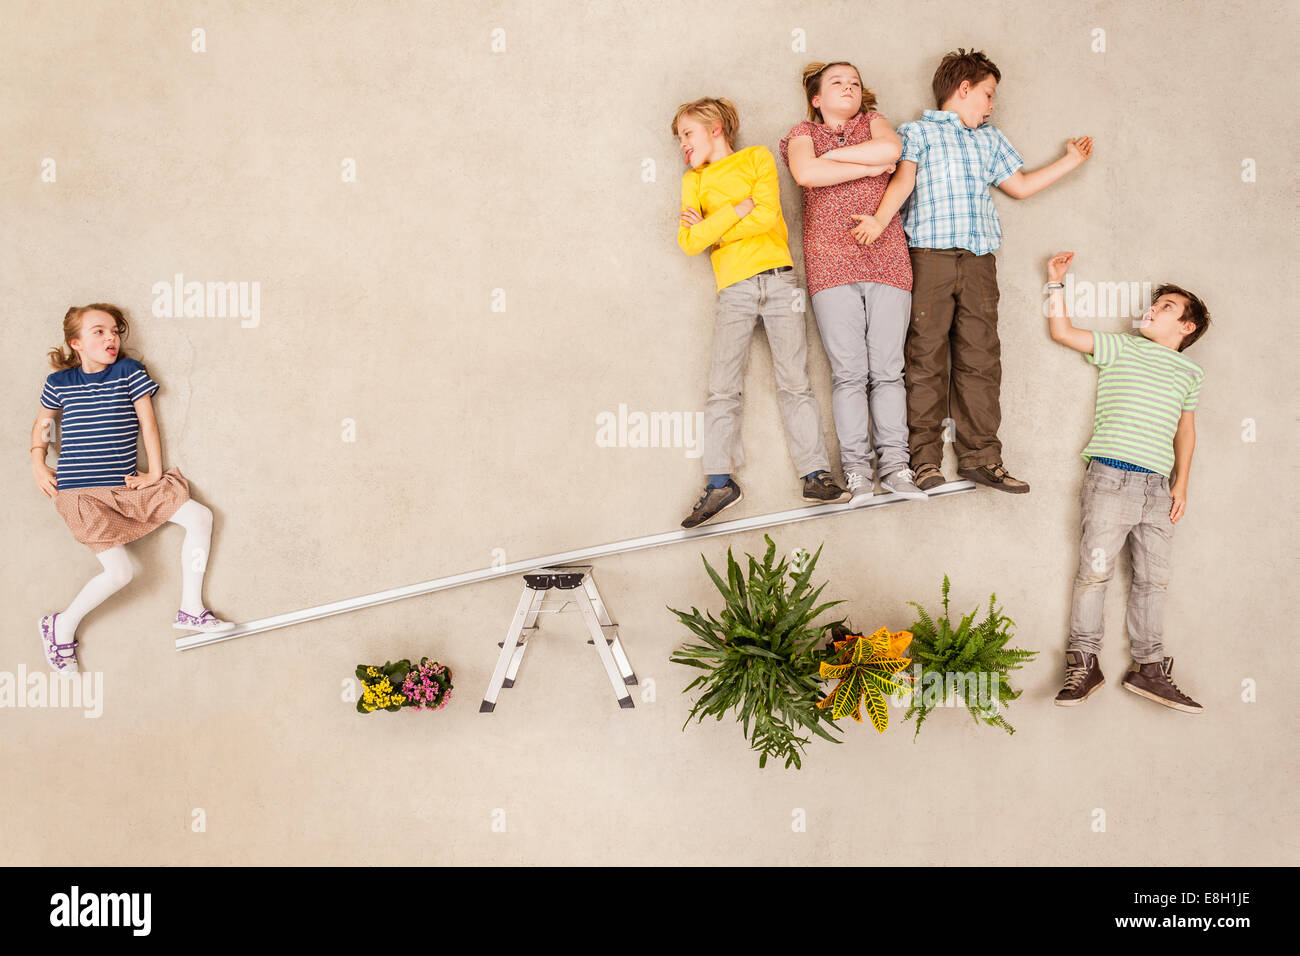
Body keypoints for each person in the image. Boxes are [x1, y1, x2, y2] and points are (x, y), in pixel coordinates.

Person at [859, 48, 1093, 494]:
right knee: (926, 358)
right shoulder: (917, 133)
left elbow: (1019, 186)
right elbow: (904, 181)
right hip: (929, 257)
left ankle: (982, 456)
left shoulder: (989, 139)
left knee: (981, 359)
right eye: (987, 95)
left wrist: (1071, 162)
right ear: (962, 89)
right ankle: (924, 461)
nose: (991, 105)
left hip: (980, 261)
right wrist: (879, 219)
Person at [1041, 253, 1209, 713]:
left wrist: (1182, 483)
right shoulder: (1122, 347)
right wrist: (1055, 284)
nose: (1153, 310)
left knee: (1153, 581)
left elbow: (1186, 430)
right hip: (1110, 478)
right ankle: (1083, 664)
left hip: (1157, 489)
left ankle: (1149, 669)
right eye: (1155, 305)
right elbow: (1062, 332)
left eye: (1168, 307)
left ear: (1187, 327)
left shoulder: (1190, 373)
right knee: (1094, 575)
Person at [673, 97, 847, 529]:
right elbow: (689, 243)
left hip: (780, 280)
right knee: (722, 388)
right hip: (733, 288)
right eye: (679, 139)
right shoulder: (693, 180)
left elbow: (767, 215)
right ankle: (719, 482)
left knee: (795, 382)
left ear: (715, 129)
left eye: (687, 134)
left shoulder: (756, 158)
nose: (683, 145)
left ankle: (815, 474)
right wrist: (736, 210)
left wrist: (713, 227)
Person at [31, 304, 233, 671]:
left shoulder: (129, 372)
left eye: (114, 330)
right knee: (120, 573)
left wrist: (155, 473)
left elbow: (148, 424)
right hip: (80, 494)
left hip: (127, 486)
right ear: (76, 342)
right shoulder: (59, 383)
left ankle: (191, 608)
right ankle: (61, 625)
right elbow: (43, 425)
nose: (111, 337)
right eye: (99, 331)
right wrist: (37, 461)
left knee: (200, 516)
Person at [779, 61, 925, 502]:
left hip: (888, 258)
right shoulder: (801, 133)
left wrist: (839, 161)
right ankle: (858, 472)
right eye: (837, 82)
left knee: (888, 373)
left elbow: (892, 152)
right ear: (817, 99)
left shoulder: (873, 122)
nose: (848, 87)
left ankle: (897, 469)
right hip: (830, 264)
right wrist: (869, 168)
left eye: (855, 82)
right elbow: (806, 174)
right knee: (848, 375)